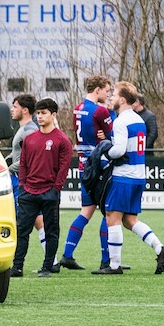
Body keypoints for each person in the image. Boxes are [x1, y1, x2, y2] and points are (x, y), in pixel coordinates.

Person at [92, 82, 164, 275]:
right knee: (129, 220)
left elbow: (119, 150)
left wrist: (104, 154)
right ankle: (159, 248)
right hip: (138, 176)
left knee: (112, 217)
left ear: (122, 99)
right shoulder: (139, 119)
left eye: (113, 96)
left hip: (124, 176)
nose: (110, 98)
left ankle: (114, 266)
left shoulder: (120, 121)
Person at [11, 97, 72, 278]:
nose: (40, 116)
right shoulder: (30, 139)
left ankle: (47, 267)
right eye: (38, 113)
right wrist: (23, 185)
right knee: (22, 230)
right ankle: (17, 267)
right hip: (28, 191)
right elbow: (23, 165)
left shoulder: (62, 141)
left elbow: (63, 168)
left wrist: (55, 189)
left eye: (44, 113)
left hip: (49, 193)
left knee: (51, 231)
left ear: (53, 115)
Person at [58, 75, 113, 271]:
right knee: (109, 214)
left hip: (83, 166)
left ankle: (67, 255)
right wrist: (106, 134)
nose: (108, 94)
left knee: (86, 212)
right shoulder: (100, 110)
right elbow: (114, 136)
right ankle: (107, 260)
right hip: (99, 165)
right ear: (97, 89)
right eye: (106, 90)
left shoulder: (78, 108)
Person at [7, 94, 46, 256]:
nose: (12, 110)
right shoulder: (24, 129)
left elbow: (31, 157)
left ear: (24, 110)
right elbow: (18, 154)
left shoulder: (30, 129)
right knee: (37, 220)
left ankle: (17, 262)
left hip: (24, 181)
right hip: (20, 179)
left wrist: (8, 169)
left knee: (23, 222)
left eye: (15, 106)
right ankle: (53, 260)